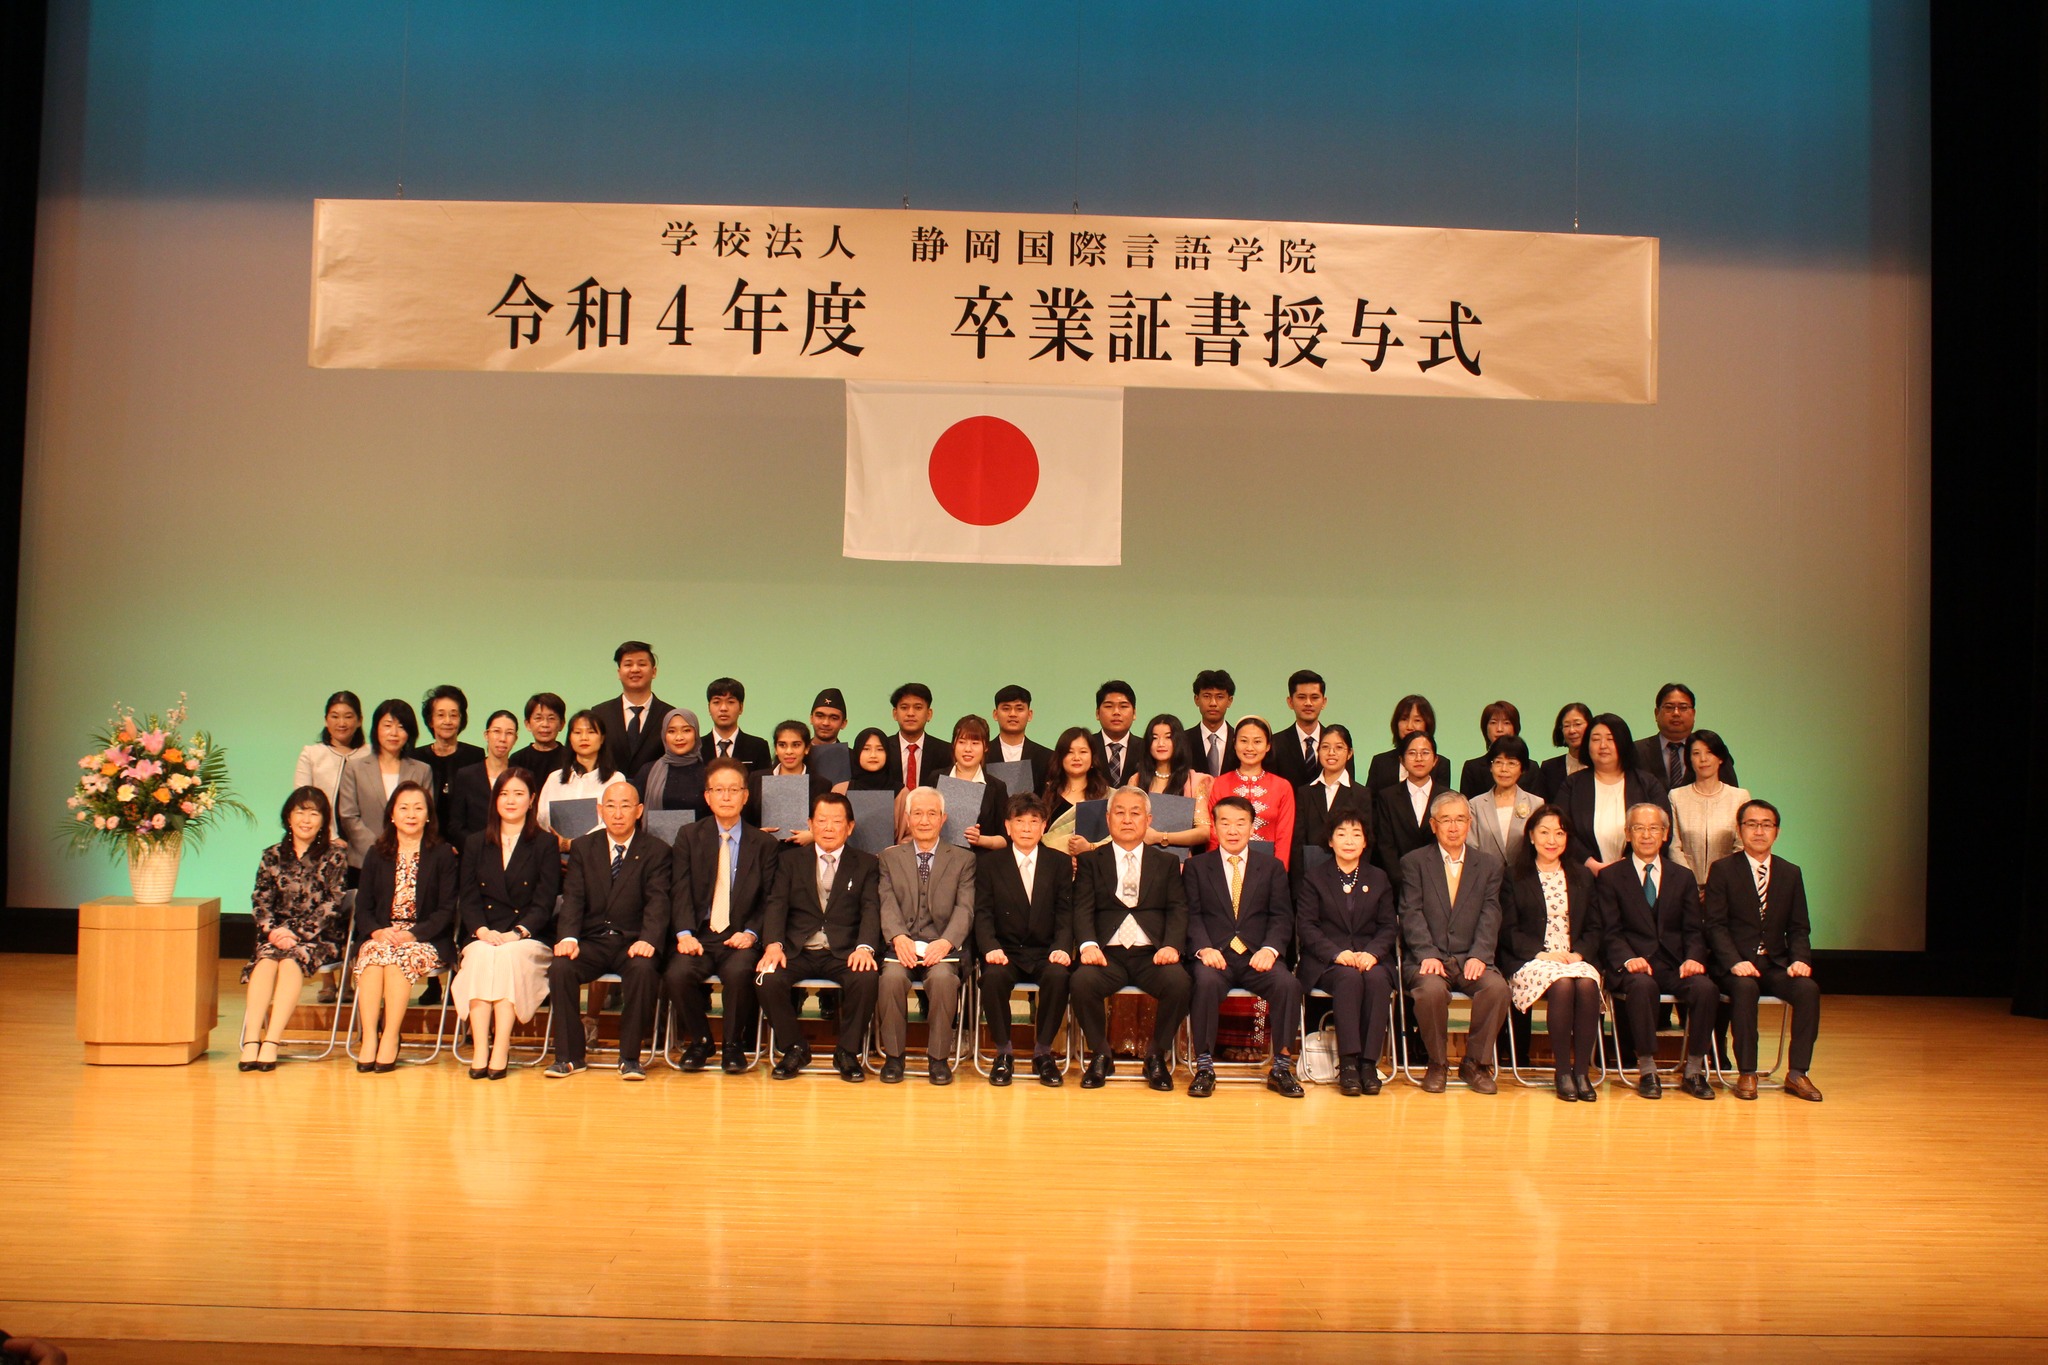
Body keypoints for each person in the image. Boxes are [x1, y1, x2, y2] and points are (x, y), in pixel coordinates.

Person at [1070, 788, 1192, 1091]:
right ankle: (1101, 1055)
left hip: (1151, 954)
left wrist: (1171, 945)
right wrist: (1088, 945)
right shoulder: (1090, 860)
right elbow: (1082, 908)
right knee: (1081, 982)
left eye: (1135, 813)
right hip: (1106, 955)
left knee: (1180, 983)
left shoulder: (1166, 862)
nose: (1127, 819)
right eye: (1120, 812)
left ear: (1148, 820)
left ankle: (1155, 1056)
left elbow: (1178, 908)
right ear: (1108, 819)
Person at [544, 779, 667, 1078]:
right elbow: (573, 897)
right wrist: (568, 937)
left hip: (632, 941)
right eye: (611, 806)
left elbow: (658, 901)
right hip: (593, 940)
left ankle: (630, 1058)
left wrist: (649, 939)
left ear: (639, 810)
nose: (618, 813)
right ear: (600, 810)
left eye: (626, 806)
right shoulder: (584, 847)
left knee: (643, 969)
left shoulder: (656, 850)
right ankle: (570, 1056)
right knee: (561, 967)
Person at [1182, 797, 1304, 1098]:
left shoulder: (1272, 867)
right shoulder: (1197, 867)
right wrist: (1204, 949)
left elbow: (1281, 916)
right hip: (1215, 957)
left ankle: (1281, 1067)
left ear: (1252, 827)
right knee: (1204, 982)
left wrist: (1270, 949)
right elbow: (1191, 915)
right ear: (1214, 827)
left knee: (1288, 984)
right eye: (1225, 823)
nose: (1233, 830)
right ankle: (1204, 1067)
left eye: (1240, 823)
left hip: (1257, 956)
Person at [757, 791, 881, 1081]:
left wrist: (864, 947)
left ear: (850, 827)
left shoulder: (866, 863)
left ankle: (847, 1052)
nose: (828, 828)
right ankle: (794, 1048)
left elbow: (871, 908)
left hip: (844, 950)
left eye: (836, 821)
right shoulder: (789, 861)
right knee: (766, 978)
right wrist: (773, 944)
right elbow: (776, 904)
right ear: (810, 824)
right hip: (797, 949)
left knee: (866, 978)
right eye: (822, 821)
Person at [663, 758, 775, 1074]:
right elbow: (679, 889)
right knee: (676, 974)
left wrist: (752, 933)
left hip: (740, 936)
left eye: (733, 790)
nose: (726, 797)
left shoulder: (764, 844)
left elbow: (771, 899)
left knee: (740, 973)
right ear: (707, 796)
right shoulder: (688, 835)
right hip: (699, 934)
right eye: (718, 790)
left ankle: (733, 1045)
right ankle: (701, 1041)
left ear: (745, 796)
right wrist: (684, 934)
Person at [1704, 799, 1822, 1101]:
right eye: (1752, 824)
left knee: (1807, 989)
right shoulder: (1723, 870)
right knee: (1744, 989)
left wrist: (1799, 959)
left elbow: (1799, 927)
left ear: (1777, 831)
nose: (1759, 831)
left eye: (1766, 825)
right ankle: (1747, 1072)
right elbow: (1715, 925)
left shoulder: (1790, 872)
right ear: (1740, 829)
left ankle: (1798, 1073)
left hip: (1775, 962)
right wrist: (1733, 961)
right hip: (1735, 965)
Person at [1598, 803, 1718, 1100]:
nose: (1647, 835)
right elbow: (1609, 930)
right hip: (1633, 965)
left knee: (1706, 988)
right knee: (1642, 986)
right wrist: (1628, 958)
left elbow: (1694, 929)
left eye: (1654, 828)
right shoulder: (1611, 876)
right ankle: (1647, 1069)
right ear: (1628, 834)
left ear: (1665, 834)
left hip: (1674, 963)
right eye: (1639, 828)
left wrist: (1693, 958)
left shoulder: (1683, 876)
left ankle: (1694, 1070)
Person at [452, 768, 559, 1079]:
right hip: (484, 932)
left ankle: (501, 1045)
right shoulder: (475, 843)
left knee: (509, 956)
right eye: (504, 794)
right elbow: (468, 897)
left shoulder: (545, 844)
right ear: (494, 799)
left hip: (527, 935)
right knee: (482, 955)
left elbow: (544, 901)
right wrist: (482, 931)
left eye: (518, 794)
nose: (510, 800)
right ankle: (480, 1048)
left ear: (532, 800)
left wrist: (517, 932)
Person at [1399, 791, 1508, 1093]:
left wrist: (1480, 955)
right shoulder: (1414, 862)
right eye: (1446, 820)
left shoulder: (1488, 865)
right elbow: (1411, 912)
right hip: (1428, 958)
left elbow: (1491, 913)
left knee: (1497, 988)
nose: (1453, 827)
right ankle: (1437, 1063)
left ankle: (1475, 1063)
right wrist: (1426, 953)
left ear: (1470, 823)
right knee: (1430, 991)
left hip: (1471, 957)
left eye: (1460, 819)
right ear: (1433, 825)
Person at [1499, 806, 1605, 1102]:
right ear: (1531, 836)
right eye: (1544, 832)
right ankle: (1562, 1072)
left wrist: (1580, 953)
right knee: (1563, 985)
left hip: (1573, 958)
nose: (1552, 840)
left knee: (1587, 984)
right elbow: (1507, 930)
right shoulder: (1514, 876)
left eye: (1559, 833)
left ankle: (1581, 1072)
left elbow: (1595, 926)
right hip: (1532, 959)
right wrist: (1540, 954)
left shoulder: (1582, 875)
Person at [239, 787, 347, 1072]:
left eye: (314, 813)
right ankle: (251, 1039)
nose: (306, 820)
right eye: (300, 812)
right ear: (288, 817)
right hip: (275, 934)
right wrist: (274, 932)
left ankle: (272, 1041)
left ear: (324, 820)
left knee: (290, 961)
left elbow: (333, 903)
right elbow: (261, 900)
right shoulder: (272, 855)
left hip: (318, 937)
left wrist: (296, 935)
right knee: (265, 961)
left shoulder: (334, 856)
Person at [351, 781, 457, 1072]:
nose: (411, 814)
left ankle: (390, 1036)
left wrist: (412, 934)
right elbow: (363, 906)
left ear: (428, 815)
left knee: (398, 960)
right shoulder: (377, 853)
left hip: (425, 937)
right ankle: (369, 1037)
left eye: (418, 808)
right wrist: (377, 932)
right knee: (372, 956)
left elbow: (446, 910)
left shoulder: (442, 854)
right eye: (404, 808)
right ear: (392, 814)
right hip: (382, 933)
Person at [875, 787, 976, 1084]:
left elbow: (965, 907)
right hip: (902, 945)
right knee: (891, 980)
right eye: (917, 813)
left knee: (944, 980)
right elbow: (886, 901)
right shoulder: (889, 857)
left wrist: (946, 942)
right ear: (907, 818)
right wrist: (898, 937)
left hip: (942, 947)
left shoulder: (963, 859)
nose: (924, 820)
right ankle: (894, 1058)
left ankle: (939, 1059)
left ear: (943, 819)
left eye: (932, 813)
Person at [974, 794, 1075, 1087]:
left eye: (1034, 821)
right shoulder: (990, 863)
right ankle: (1003, 1053)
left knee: (1059, 976)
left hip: (1045, 951)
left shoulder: (1059, 862)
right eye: (1019, 821)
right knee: (993, 978)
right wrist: (990, 947)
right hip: (1005, 951)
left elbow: (1065, 912)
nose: (1027, 828)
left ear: (1044, 826)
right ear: (1008, 826)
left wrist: (1061, 947)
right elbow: (982, 912)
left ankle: (1043, 1053)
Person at [1294, 809, 1397, 1096]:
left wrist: (1373, 953)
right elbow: (1306, 926)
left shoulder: (1378, 878)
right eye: (1341, 834)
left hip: (1370, 958)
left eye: (1356, 834)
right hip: (1327, 962)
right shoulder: (1315, 878)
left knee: (1378, 980)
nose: (1349, 841)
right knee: (1348, 979)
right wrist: (1336, 954)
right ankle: (1349, 1063)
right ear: (1330, 841)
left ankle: (1368, 1064)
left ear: (1365, 842)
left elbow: (1388, 926)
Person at [1554, 713, 1669, 872]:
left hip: (1638, 874)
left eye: (1610, 739)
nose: (1603, 745)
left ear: (1623, 743)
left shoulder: (1647, 784)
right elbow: (1560, 829)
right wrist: (1591, 865)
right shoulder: (1572, 784)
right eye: (1596, 739)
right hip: (1585, 875)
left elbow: (1664, 829)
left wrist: (1627, 865)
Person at [337, 699, 433, 872]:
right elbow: (348, 816)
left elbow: (426, 814)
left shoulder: (422, 770)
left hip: (409, 860)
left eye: (401, 727)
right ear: (376, 729)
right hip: (364, 861)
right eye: (387, 725)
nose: (394, 733)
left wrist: (401, 850)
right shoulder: (355, 768)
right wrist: (379, 849)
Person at [1206, 716, 1296, 868]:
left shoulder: (1282, 787)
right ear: (1234, 744)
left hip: (1268, 868)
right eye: (1243, 741)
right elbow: (1213, 833)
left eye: (1257, 741)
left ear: (1268, 746)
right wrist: (1214, 869)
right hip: (1225, 866)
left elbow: (1284, 837)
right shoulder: (1219, 784)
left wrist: (1278, 872)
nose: (1249, 748)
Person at [1666, 730, 1751, 884]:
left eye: (1709, 752)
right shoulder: (1676, 796)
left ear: (1720, 758)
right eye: (1696, 753)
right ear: (1689, 759)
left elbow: (1741, 845)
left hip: (1727, 884)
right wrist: (1690, 881)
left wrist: (1718, 882)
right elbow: (1674, 846)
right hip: (1686, 884)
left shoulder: (1740, 797)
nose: (1703, 759)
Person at [537, 709, 624, 848]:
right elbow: (541, 818)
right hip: (555, 852)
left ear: (602, 738)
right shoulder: (554, 779)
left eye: (591, 732)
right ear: (570, 738)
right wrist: (556, 843)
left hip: (599, 851)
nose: (584, 738)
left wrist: (573, 844)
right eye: (577, 732)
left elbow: (615, 821)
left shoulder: (615, 780)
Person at [1126, 714, 1214, 851]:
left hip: (1179, 861)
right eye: (1155, 738)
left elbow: (1204, 833)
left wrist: (1160, 837)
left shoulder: (1195, 781)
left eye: (1168, 737)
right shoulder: (1136, 780)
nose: (1161, 743)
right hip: (1139, 857)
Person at [591, 641, 675, 781]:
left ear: (654, 672)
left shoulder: (670, 715)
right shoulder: (600, 713)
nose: (635, 669)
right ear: (619, 672)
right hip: (609, 791)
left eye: (642, 664)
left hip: (654, 791)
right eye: (628, 664)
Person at [1371, 729, 1444, 883]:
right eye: (1412, 753)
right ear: (1402, 760)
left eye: (1425, 753)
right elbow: (1386, 845)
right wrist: (1400, 879)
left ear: (1435, 760)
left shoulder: (1447, 797)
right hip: (1398, 882)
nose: (1419, 758)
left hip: (1440, 880)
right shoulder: (1388, 797)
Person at [1638, 683, 1739, 790]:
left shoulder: (1714, 750)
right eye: (1669, 707)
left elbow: (1730, 791)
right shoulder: (1637, 751)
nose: (1676, 713)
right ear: (1656, 713)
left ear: (1693, 713)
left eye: (1683, 708)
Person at [444, 709, 519, 852]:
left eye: (509, 733)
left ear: (515, 739)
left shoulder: (521, 777)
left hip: (514, 853)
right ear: (486, 735)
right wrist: (478, 847)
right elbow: (456, 825)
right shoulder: (466, 775)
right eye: (496, 731)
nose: (502, 738)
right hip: (475, 854)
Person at [292, 691, 363, 841]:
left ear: (359, 721)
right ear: (326, 720)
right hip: (322, 840)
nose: (341, 723)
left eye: (348, 717)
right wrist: (332, 837)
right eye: (335, 717)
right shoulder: (311, 754)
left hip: (364, 842)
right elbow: (302, 801)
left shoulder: (371, 754)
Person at [749, 720, 834, 843]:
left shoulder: (822, 785)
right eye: (782, 745)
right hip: (763, 848)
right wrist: (758, 834)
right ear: (776, 749)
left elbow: (827, 823)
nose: (789, 751)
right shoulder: (756, 779)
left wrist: (813, 835)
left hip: (805, 851)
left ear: (806, 748)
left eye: (796, 745)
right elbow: (745, 820)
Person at [932, 714, 1010, 849]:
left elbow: (1005, 838)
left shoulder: (997, 787)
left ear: (986, 747)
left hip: (979, 858)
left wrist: (981, 839)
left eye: (975, 743)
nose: (968, 749)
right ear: (954, 745)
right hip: (939, 857)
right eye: (962, 742)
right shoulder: (936, 778)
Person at [1294, 723, 1369, 862]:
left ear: (1349, 753)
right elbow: (1298, 842)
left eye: (1339, 747)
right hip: (1311, 868)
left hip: (1349, 868)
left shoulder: (1362, 794)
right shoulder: (1305, 793)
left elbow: (1367, 841)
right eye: (1325, 747)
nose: (1331, 753)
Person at [416, 685, 486, 832]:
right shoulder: (417, 758)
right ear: (430, 721)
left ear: (461, 719)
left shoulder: (475, 756)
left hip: (466, 838)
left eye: (453, 715)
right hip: (425, 838)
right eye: (440, 715)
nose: (447, 721)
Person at [1466, 736, 1542, 867]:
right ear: (1491, 766)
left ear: (1522, 769)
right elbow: (1471, 847)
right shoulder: (1475, 805)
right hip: (1486, 875)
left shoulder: (1536, 804)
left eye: (1511, 763)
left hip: (1524, 875)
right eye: (1498, 762)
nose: (1504, 769)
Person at [1266, 669, 1349, 788]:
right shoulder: (1275, 744)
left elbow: (1349, 790)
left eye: (1314, 697)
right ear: (1290, 702)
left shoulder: (1340, 744)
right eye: (1301, 697)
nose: (1308, 703)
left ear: (1324, 702)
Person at [1041, 726, 1110, 857]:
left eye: (1083, 752)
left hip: (1095, 864)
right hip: (1053, 864)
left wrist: (1090, 847)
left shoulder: (1107, 795)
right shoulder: (1046, 793)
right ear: (1060, 758)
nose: (1076, 757)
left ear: (1093, 758)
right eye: (1069, 752)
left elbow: (1117, 837)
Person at [1364, 694, 1451, 793]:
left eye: (1417, 720)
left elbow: (1443, 799)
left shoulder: (1441, 764)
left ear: (1427, 724)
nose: (1409, 726)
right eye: (1404, 719)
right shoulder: (1380, 762)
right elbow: (1371, 800)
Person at [1458, 701, 1545, 798]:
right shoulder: (1472, 768)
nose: (1499, 729)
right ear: (1485, 728)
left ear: (1515, 728)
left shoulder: (1531, 768)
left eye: (1506, 723)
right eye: (1493, 723)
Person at [635, 707, 708, 820]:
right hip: (654, 832)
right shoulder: (648, 771)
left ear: (696, 734)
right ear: (664, 735)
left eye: (686, 730)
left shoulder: (708, 773)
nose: (679, 737)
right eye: (671, 731)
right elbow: (634, 813)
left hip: (700, 832)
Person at [990, 683, 1055, 792]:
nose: (1012, 714)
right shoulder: (982, 754)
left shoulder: (1047, 757)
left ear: (1029, 715)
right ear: (995, 714)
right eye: (1006, 708)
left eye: (1019, 709)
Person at [703, 676, 771, 769]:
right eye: (717, 702)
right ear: (709, 708)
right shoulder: (697, 747)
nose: (723, 708)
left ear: (741, 708)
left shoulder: (758, 746)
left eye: (730, 702)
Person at [1179, 668, 1237, 778]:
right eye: (1206, 696)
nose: (1213, 703)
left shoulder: (1239, 740)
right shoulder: (1182, 740)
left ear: (1230, 701)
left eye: (1220, 697)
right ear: (1196, 699)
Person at [1086, 680, 1141, 787]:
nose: (1116, 712)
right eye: (1109, 706)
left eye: (1123, 706)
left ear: (1134, 713)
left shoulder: (1146, 749)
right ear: (1097, 713)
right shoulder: (1087, 746)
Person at [509, 692, 572, 786]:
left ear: (562, 724)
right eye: (538, 718)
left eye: (551, 718)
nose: (545, 724)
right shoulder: (518, 759)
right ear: (528, 724)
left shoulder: (571, 758)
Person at [886, 682, 940, 789]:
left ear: (929, 714)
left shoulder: (945, 752)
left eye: (918, 708)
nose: (910, 713)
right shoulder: (882, 749)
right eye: (904, 707)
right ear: (895, 714)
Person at [1539, 702, 1593, 799]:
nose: (1572, 731)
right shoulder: (1549, 768)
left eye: (1577, 724)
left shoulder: (1599, 766)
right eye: (1567, 726)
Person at [808, 687, 851, 781]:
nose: (826, 723)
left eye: (834, 718)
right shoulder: (795, 755)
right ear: (811, 719)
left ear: (843, 723)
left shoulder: (852, 758)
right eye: (820, 716)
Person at [844, 726, 895, 795]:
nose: (873, 755)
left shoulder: (901, 793)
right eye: (866, 749)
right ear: (857, 752)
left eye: (880, 749)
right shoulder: (842, 789)